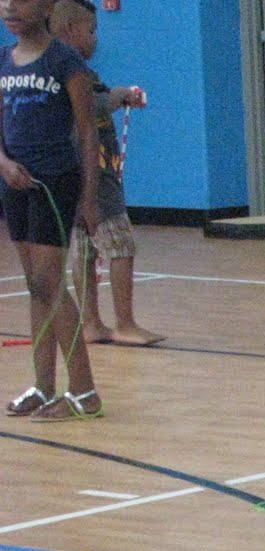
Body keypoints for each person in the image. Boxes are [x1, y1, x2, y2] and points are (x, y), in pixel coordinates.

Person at [0, 0, 102, 421]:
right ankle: (43, 386)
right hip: (14, 183)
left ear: (45, 7)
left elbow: (87, 130)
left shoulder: (65, 60)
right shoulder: (4, 60)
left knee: (51, 284)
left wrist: (90, 197)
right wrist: (4, 164)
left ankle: (85, 391)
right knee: (35, 286)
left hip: (53, 182)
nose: (9, 7)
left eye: (20, 1)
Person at [48, 0, 162, 347]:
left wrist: (120, 98)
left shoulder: (70, 70)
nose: (96, 39)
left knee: (84, 250)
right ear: (70, 30)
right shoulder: (71, 72)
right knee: (121, 246)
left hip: (78, 176)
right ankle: (125, 323)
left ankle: (92, 323)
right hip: (95, 177)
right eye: (92, 30)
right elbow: (92, 104)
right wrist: (122, 95)